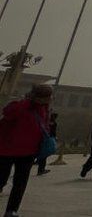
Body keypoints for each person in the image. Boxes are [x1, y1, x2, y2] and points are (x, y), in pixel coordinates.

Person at [0, 84, 53, 216]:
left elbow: (44, 127)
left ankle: (11, 210)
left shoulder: (44, 109)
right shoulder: (20, 106)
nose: (51, 99)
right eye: (48, 96)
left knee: (20, 183)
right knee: (1, 178)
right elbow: (7, 113)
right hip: (6, 150)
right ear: (40, 97)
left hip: (28, 152)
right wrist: (25, 103)